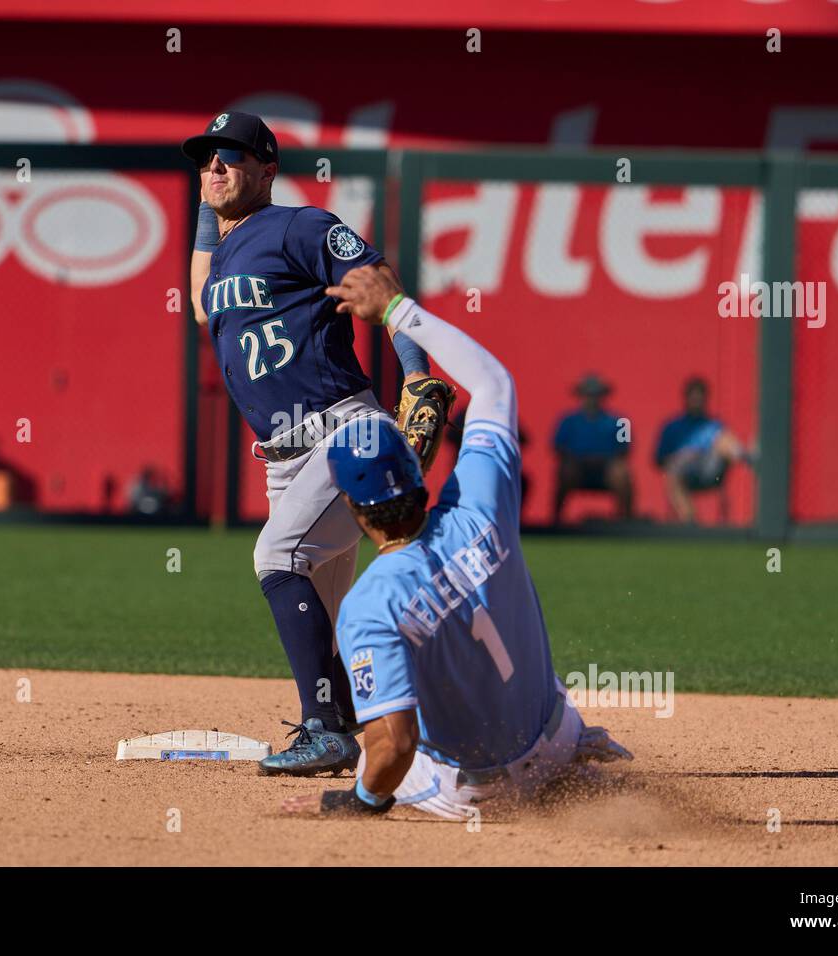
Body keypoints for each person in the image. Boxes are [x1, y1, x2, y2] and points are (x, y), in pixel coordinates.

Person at [282, 266, 631, 821]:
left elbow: (395, 748)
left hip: (478, 793)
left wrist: (354, 800)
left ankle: (521, 779)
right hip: (554, 739)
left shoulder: (371, 604)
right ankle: (575, 754)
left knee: (373, 746)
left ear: (350, 505)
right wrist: (399, 310)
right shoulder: (481, 506)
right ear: (419, 473)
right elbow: (494, 383)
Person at [182, 111, 455, 775]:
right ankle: (389, 730)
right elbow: (198, 304)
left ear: (267, 169)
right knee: (321, 619)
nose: (216, 167)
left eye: (233, 157)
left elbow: (380, 284)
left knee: (278, 557)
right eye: (207, 158)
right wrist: (207, 205)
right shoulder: (220, 265)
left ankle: (323, 730)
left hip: (344, 431)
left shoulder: (301, 226)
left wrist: (416, 372)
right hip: (283, 459)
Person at [654, 377, 753, 523]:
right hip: (682, 471)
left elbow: (721, 446)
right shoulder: (672, 427)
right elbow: (658, 459)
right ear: (686, 398)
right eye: (694, 398)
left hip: (710, 470)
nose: (697, 402)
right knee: (674, 472)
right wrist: (683, 456)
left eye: (700, 398)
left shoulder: (713, 425)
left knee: (722, 439)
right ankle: (690, 521)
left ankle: (746, 456)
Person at [551, 373, 633, 523]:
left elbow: (625, 449)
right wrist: (580, 459)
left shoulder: (621, 421)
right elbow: (558, 447)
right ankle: (557, 520)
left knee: (621, 471)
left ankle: (626, 519)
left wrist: (603, 460)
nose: (592, 399)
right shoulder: (567, 420)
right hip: (578, 467)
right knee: (566, 469)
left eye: (596, 394)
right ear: (581, 396)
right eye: (588, 394)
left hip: (607, 468)